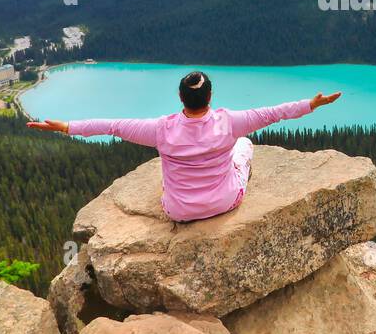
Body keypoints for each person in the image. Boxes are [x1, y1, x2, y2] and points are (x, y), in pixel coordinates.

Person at [27, 70, 341, 221]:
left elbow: (112, 126)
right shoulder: (230, 122)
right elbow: (273, 114)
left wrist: (67, 126)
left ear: (181, 98)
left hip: (178, 212)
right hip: (225, 202)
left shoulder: (160, 130)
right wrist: (310, 104)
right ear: (210, 97)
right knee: (243, 145)